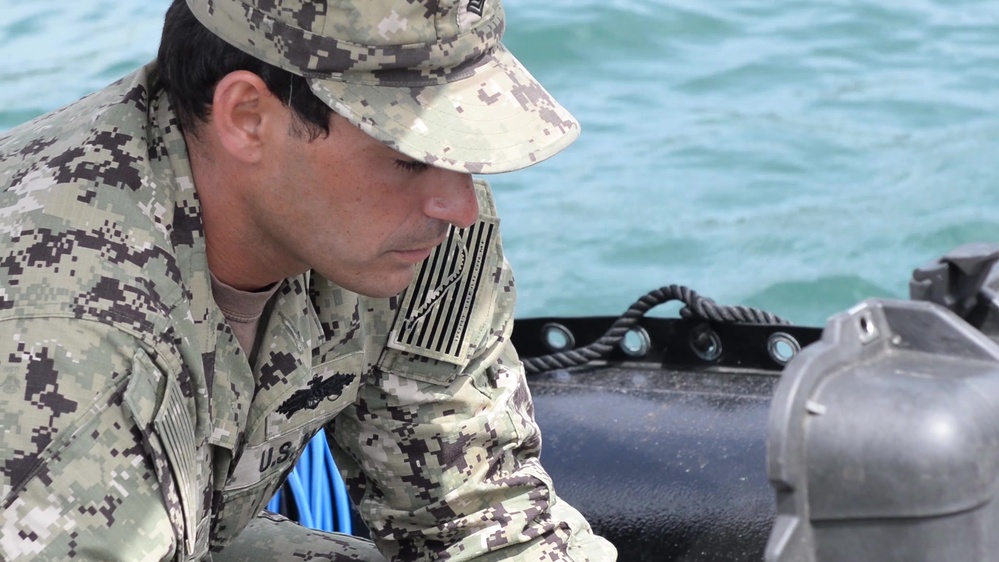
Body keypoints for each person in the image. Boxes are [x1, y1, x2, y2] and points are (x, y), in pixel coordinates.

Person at [0, 0, 617, 560]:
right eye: (408, 156)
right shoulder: (65, 335)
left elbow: (476, 516)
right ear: (247, 117)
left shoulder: (413, 232)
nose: (457, 205)